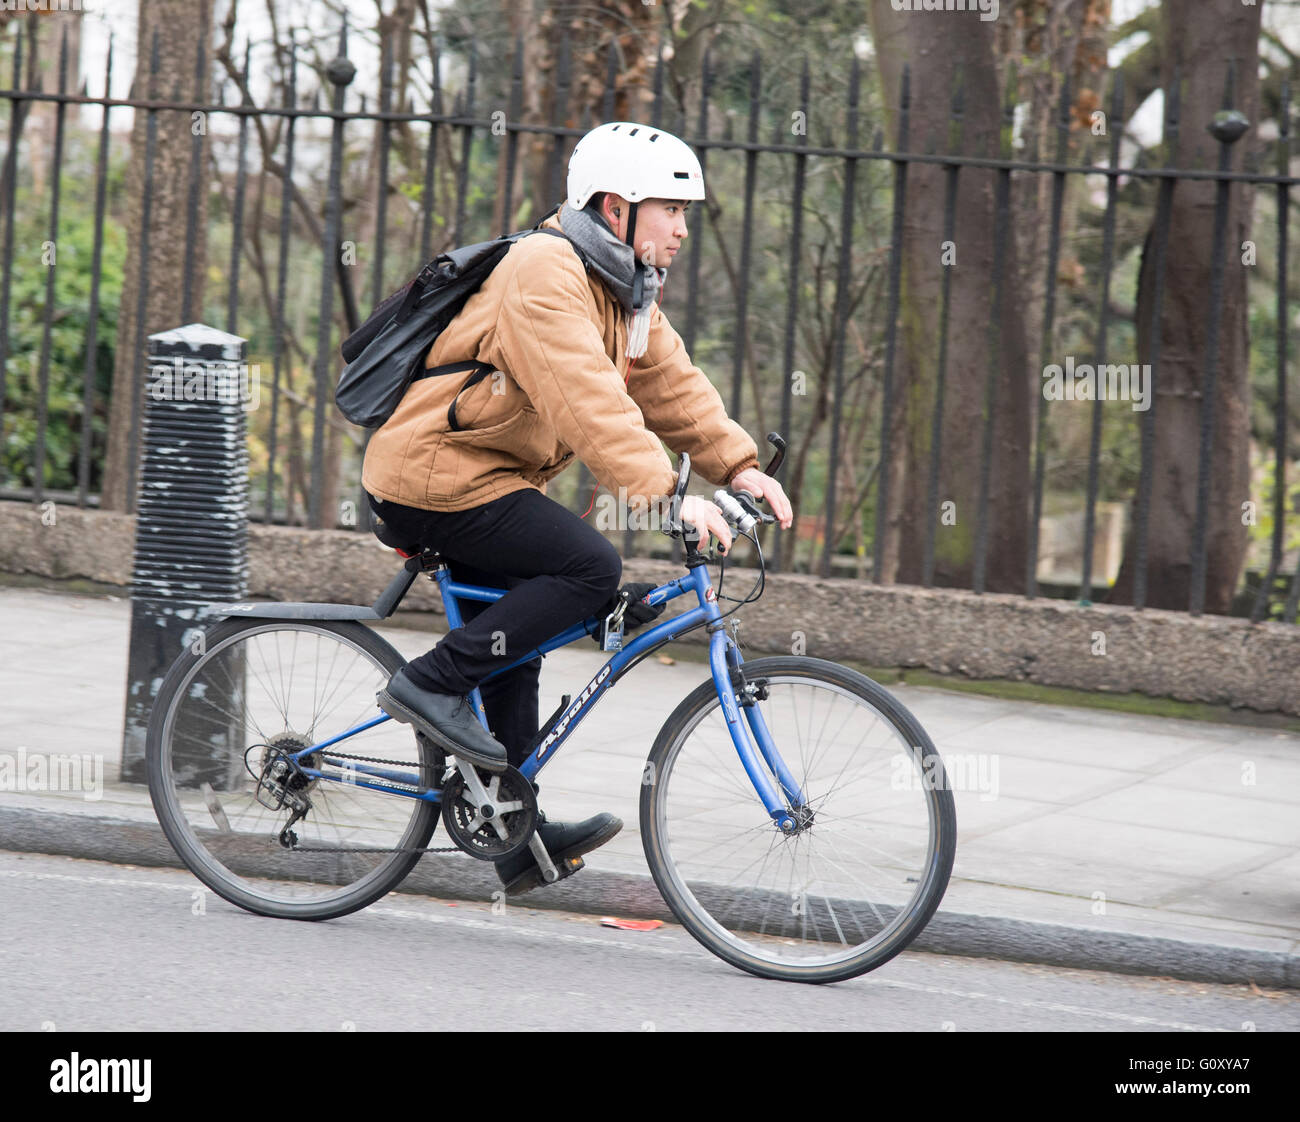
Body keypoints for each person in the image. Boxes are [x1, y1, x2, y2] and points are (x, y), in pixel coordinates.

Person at [362, 121, 793, 895]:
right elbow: (588, 402)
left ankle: (506, 827)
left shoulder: (624, 286)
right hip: (430, 480)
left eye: (686, 214)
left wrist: (741, 466)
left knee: (519, 641)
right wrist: (668, 497)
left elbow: (669, 386)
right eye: (671, 210)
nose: (683, 229)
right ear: (615, 207)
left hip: (484, 478)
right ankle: (429, 683)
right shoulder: (544, 270)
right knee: (589, 567)